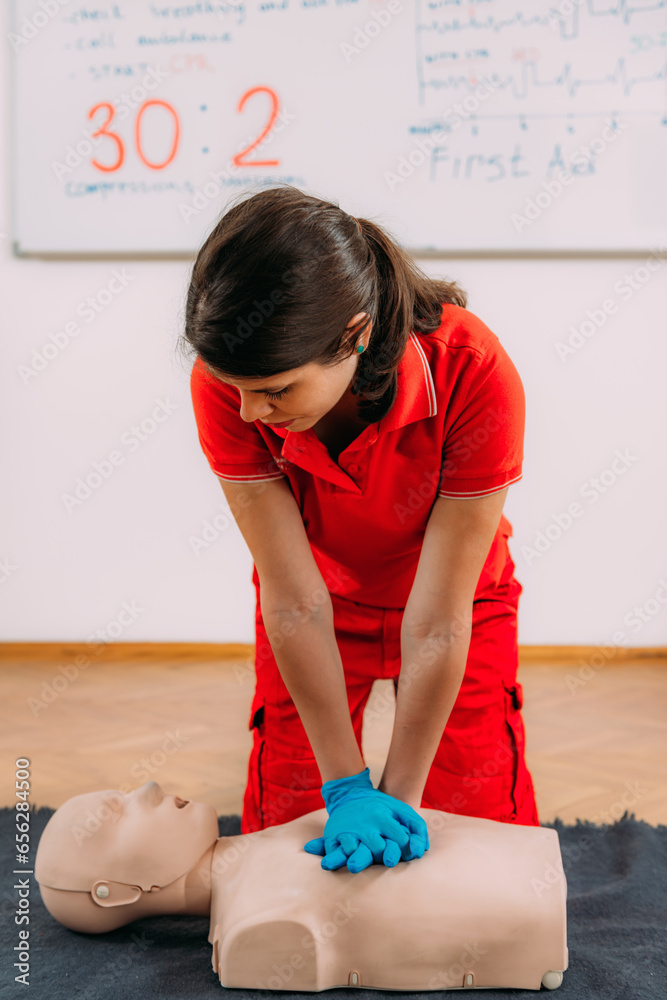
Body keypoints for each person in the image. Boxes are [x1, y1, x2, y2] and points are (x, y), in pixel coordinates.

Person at [180, 184, 539, 870]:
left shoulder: (473, 370)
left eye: (277, 391)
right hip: (316, 601)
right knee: (281, 847)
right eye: (238, 390)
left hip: (455, 604)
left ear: (355, 332)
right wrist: (347, 789)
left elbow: (438, 621)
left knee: (478, 846)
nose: (251, 413)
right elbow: (292, 599)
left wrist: (397, 800)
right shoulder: (231, 383)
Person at [34, 781, 568, 991]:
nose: (148, 787)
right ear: (116, 891)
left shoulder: (255, 860)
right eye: (115, 812)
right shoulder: (250, 930)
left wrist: (376, 795)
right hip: (534, 912)